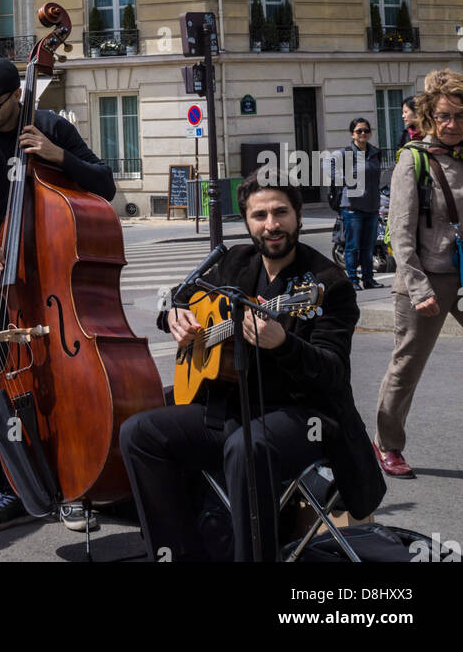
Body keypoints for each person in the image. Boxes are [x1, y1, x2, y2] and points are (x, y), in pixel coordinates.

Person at [119, 172, 385, 562]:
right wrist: (173, 315)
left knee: (247, 448)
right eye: (259, 215)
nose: (271, 224)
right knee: (139, 433)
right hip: (236, 409)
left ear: (297, 215)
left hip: (305, 418)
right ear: (246, 221)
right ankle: (180, 554)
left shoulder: (329, 283)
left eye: (281, 212)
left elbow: (332, 374)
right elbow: (182, 299)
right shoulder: (235, 264)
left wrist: (284, 344)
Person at [0, 55, 117, 536]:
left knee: (69, 384)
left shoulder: (52, 128)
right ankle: (18, 488)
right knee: (10, 386)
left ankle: (75, 484)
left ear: (18, 94)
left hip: (57, 285)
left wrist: (57, 155)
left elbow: (104, 183)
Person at [374, 69, 463, 479]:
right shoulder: (413, 161)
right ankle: (388, 444)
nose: (452, 124)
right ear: (430, 117)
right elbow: (400, 232)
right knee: (408, 364)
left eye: (460, 116)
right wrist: (418, 288)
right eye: (444, 116)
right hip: (426, 279)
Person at [334, 118, 384, 291]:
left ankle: (369, 280)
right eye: (359, 131)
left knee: (368, 247)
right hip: (352, 208)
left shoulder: (375, 152)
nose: (363, 133)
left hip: (372, 206)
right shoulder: (345, 153)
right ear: (352, 134)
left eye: (366, 130)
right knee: (353, 247)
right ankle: (353, 280)